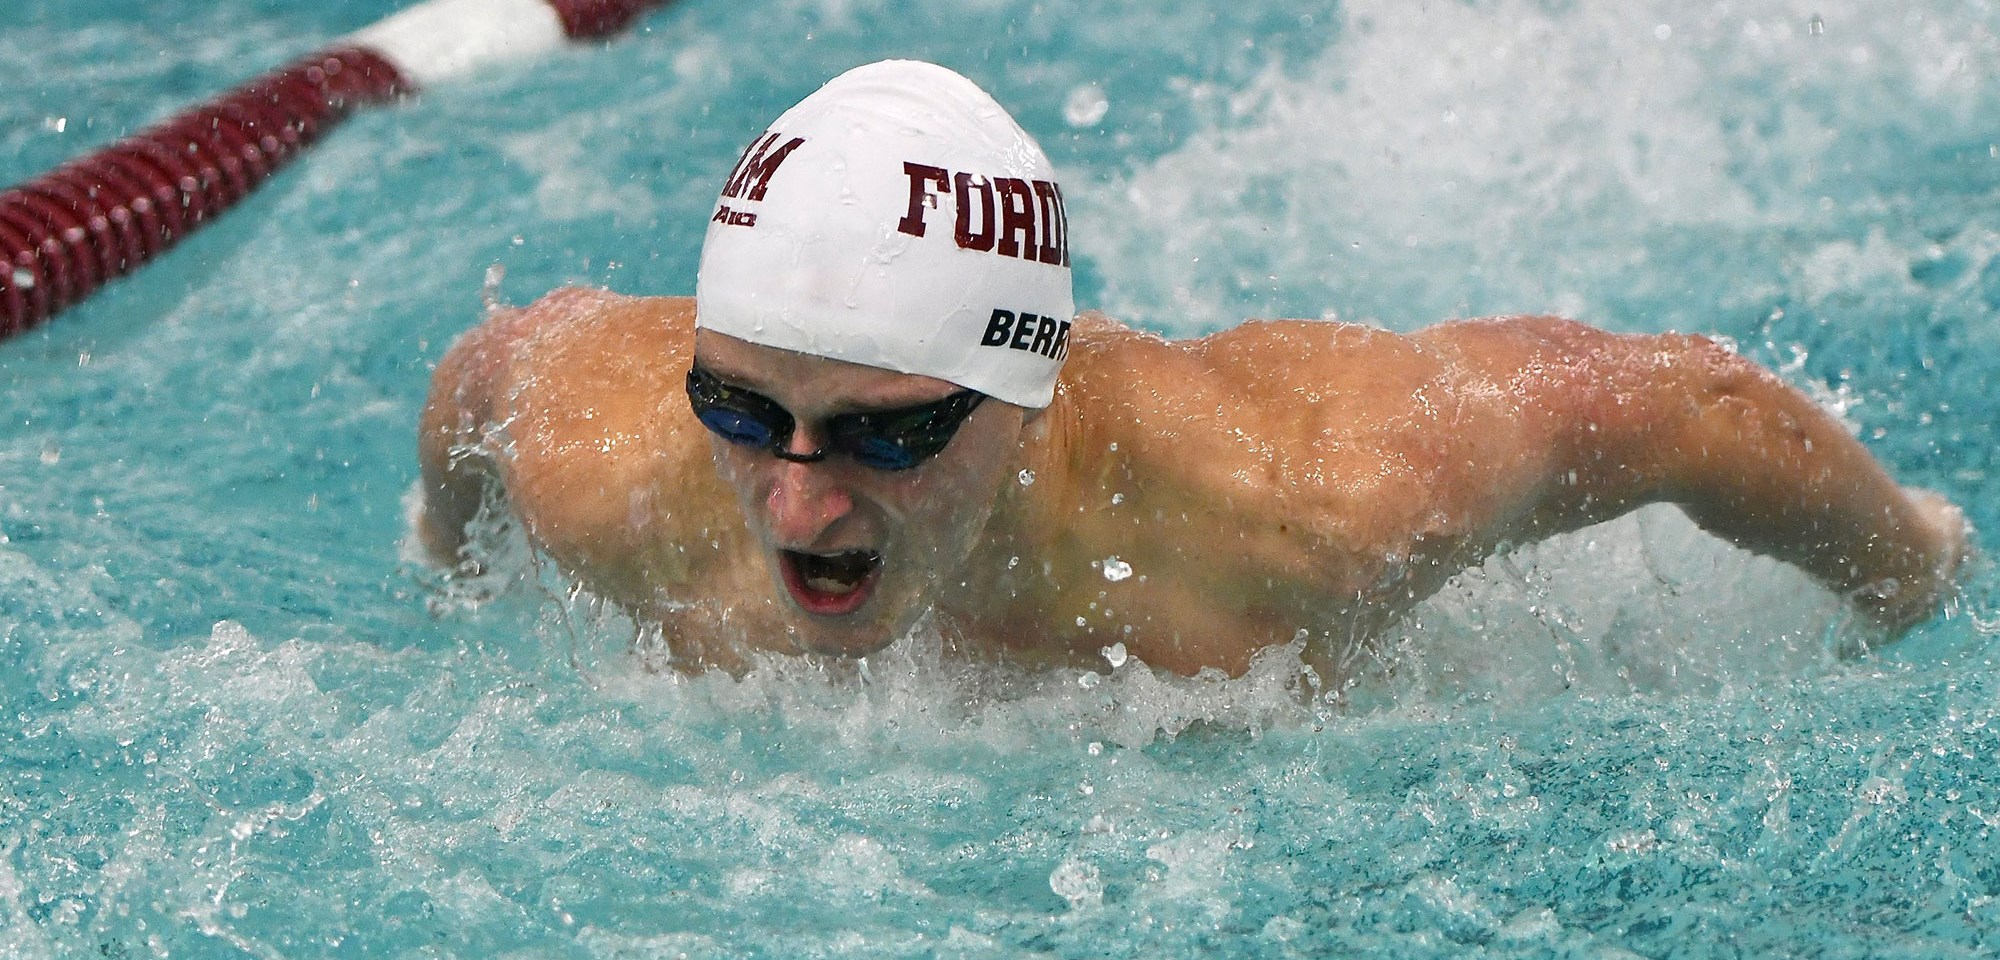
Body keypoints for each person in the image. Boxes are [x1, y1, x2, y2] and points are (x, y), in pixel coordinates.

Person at [416, 60, 1967, 679]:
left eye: (884, 439)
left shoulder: (1301, 509)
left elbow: (1686, 405)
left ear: (1022, 387)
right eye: (746, 413)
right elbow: (486, 376)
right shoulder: (617, 464)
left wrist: (1914, 577)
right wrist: (444, 560)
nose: (798, 503)